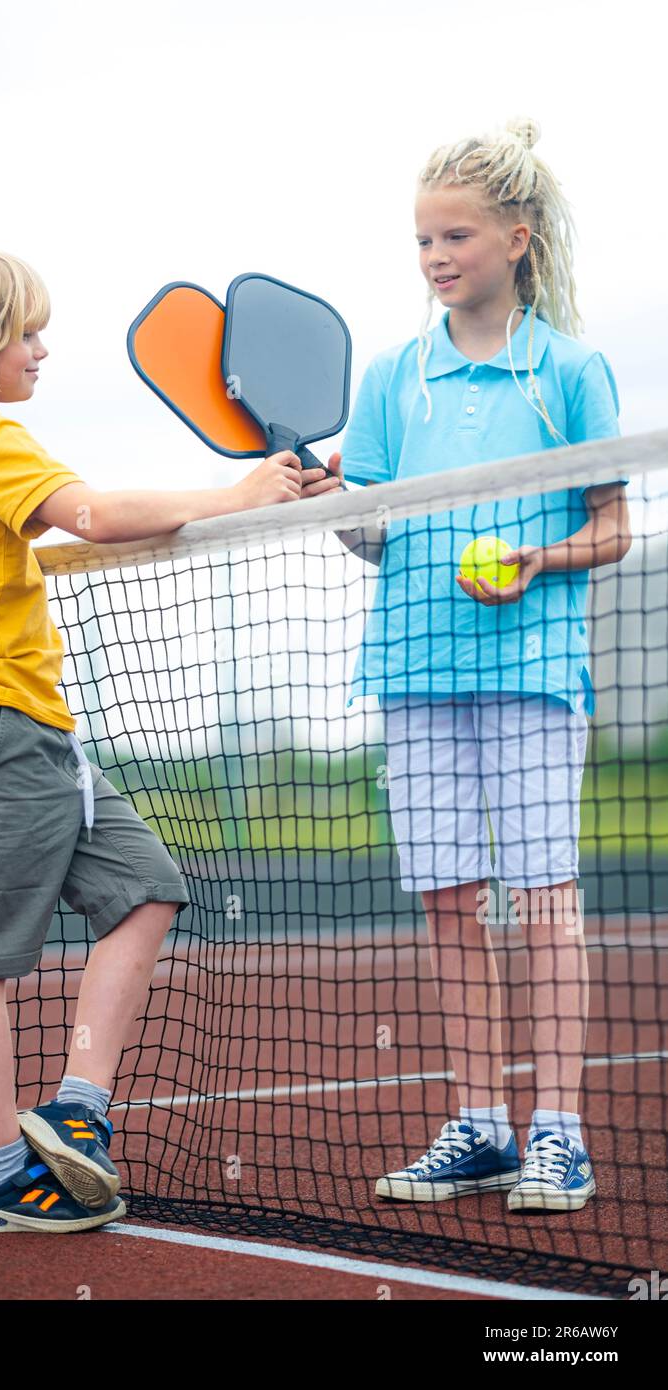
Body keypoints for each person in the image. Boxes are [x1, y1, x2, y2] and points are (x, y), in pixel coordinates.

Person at [0, 242, 341, 1233]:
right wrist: (231, 496)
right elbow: (91, 512)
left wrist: (260, 489)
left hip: (25, 729)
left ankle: (74, 1117)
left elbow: (26, 535)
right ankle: (0, 1172)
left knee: (146, 889)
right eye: (23, 330)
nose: (41, 348)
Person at [327, 118, 630, 1212]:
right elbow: (366, 527)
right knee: (451, 903)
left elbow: (612, 526)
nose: (433, 257)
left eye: (453, 235)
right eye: (419, 240)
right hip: (411, 666)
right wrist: (341, 510)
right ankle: (477, 1122)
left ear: (514, 237)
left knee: (542, 901)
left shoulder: (571, 368)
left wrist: (537, 559)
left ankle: (556, 1129)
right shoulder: (390, 377)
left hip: (532, 669)